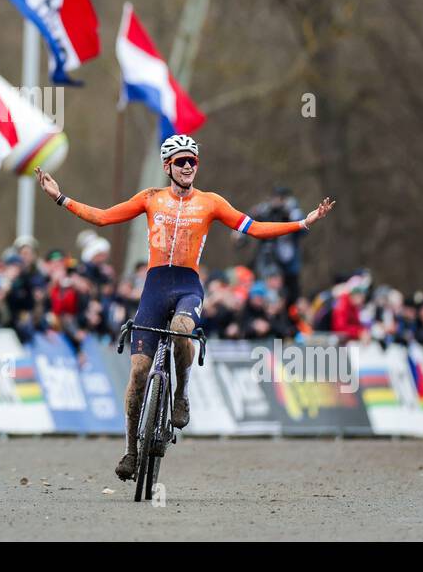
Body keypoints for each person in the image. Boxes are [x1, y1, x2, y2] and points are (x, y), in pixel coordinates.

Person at [35, 134, 334, 481]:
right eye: (181, 160)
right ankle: (131, 452)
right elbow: (102, 218)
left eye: (193, 160)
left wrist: (304, 223)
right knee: (137, 375)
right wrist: (60, 197)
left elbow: (255, 229)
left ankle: (181, 394)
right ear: (167, 167)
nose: (188, 165)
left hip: (187, 287)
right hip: (154, 288)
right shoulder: (149, 198)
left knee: (180, 331)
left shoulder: (210, 202)